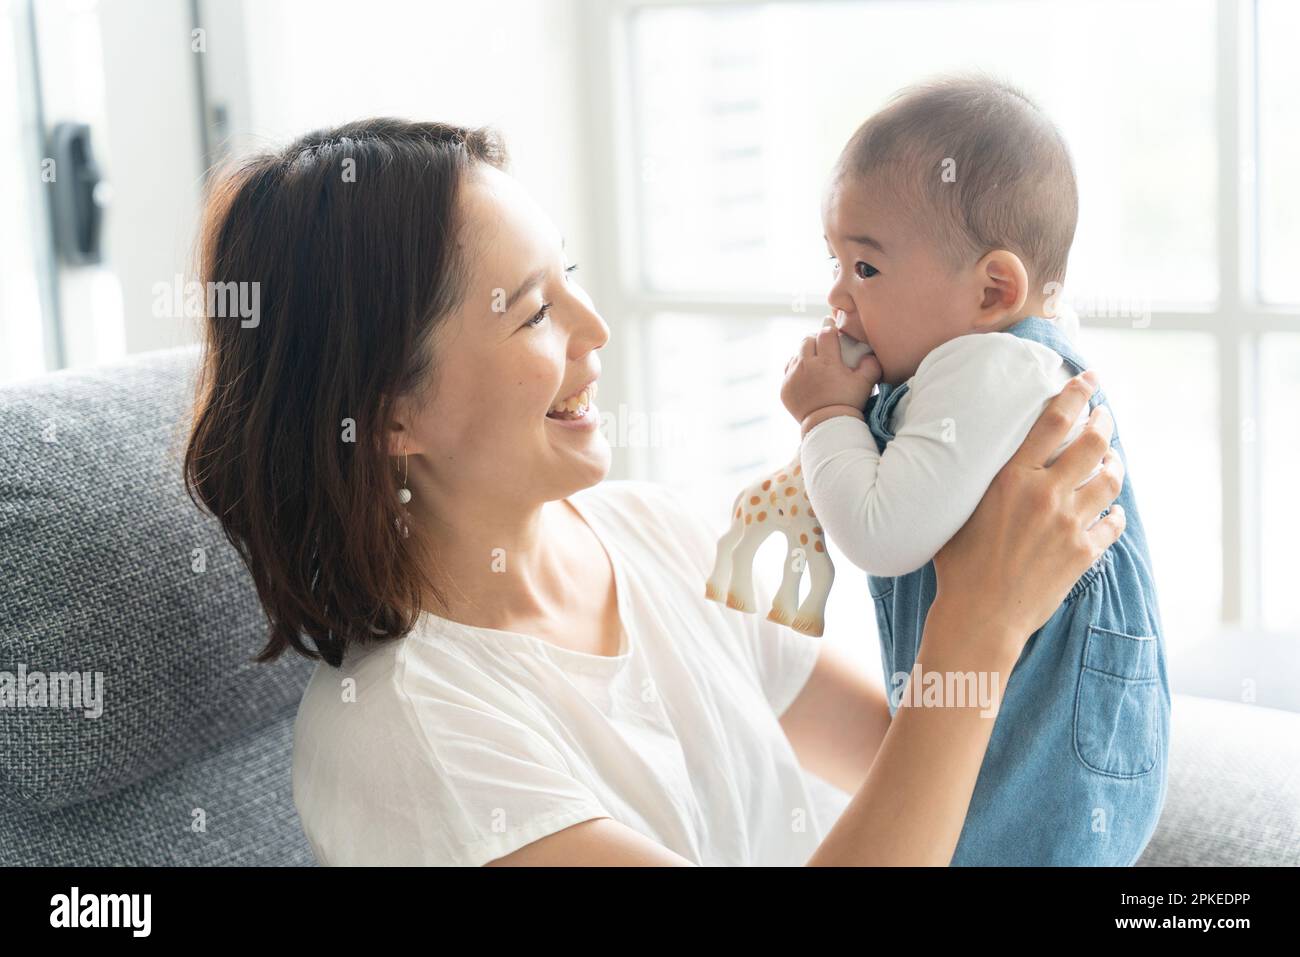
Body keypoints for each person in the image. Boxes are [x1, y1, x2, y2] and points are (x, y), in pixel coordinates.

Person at [183, 118, 1128, 866]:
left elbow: (918, 767)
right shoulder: (405, 740)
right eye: (535, 311)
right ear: (392, 416)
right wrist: (977, 624)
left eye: (570, 275)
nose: (595, 328)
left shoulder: (659, 532)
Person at [781, 76, 1169, 865]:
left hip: (1046, 746)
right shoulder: (1002, 361)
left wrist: (826, 416)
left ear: (995, 290)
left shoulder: (988, 367)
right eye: (835, 260)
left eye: (866, 267)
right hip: (1056, 732)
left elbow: (881, 531)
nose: (838, 294)